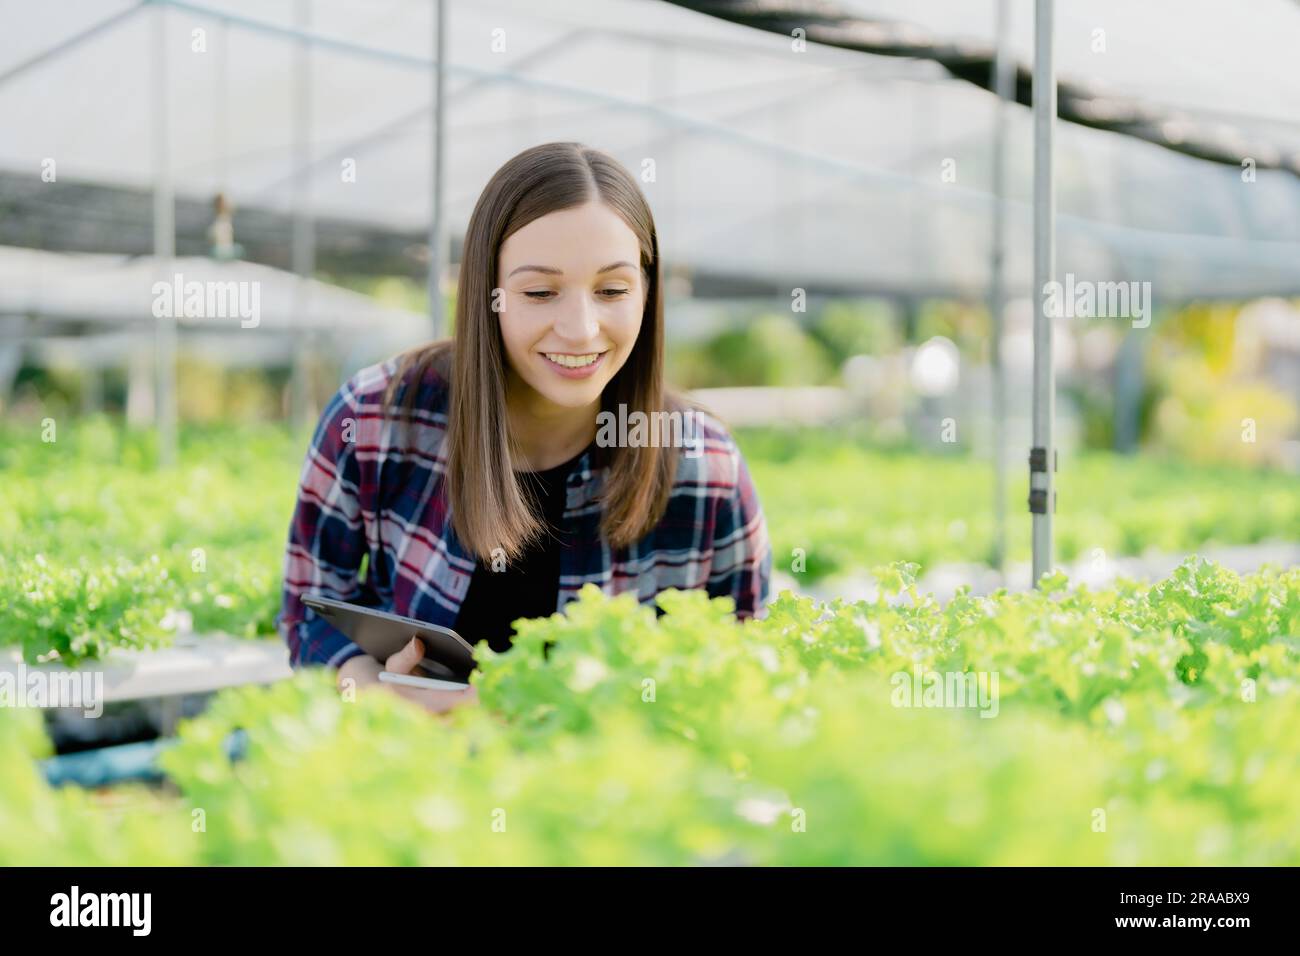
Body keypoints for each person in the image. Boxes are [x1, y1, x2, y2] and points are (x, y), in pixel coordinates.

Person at [275, 142, 772, 714]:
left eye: (612, 290)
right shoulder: (373, 423)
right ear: (489, 294)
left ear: (647, 294)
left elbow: (743, 669)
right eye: (539, 292)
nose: (581, 329)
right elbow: (310, 609)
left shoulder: (702, 463)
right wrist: (378, 699)